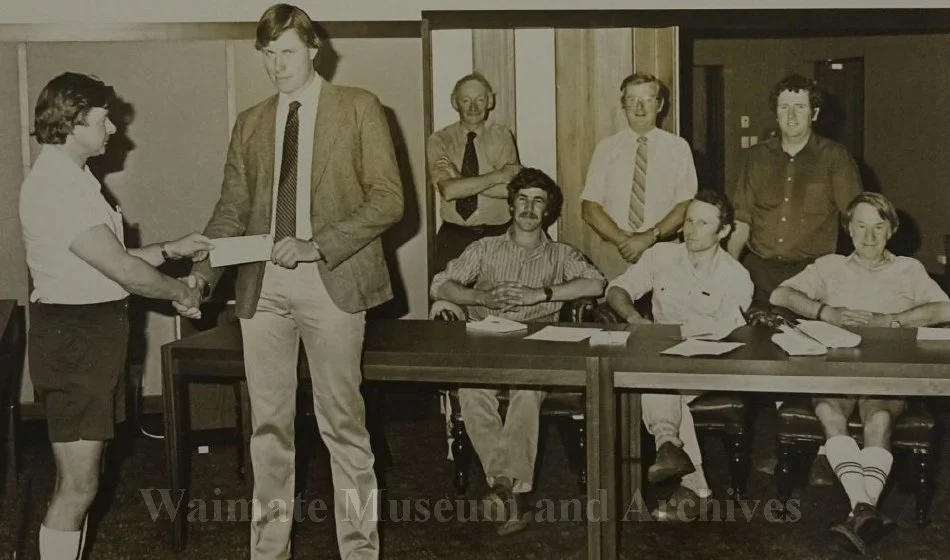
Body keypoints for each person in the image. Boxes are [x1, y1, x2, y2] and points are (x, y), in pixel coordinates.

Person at [177, 4, 403, 559]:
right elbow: (230, 211)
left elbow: (389, 200)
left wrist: (316, 243)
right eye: (267, 55)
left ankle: (360, 551)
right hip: (262, 289)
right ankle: (268, 552)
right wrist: (203, 278)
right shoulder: (251, 121)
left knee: (344, 430)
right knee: (268, 432)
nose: (277, 66)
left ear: (313, 49)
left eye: (287, 53)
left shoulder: (359, 108)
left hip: (332, 281)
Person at [19, 72, 211, 559]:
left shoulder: (75, 178)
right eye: (104, 120)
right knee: (78, 486)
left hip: (89, 338)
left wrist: (170, 249)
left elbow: (110, 262)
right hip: (74, 342)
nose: (113, 132)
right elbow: (124, 270)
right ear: (72, 121)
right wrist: (182, 295)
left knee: (86, 481)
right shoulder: (53, 187)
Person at [770, 192, 950, 555]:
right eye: (861, 226)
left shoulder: (908, 270)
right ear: (848, 229)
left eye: (878, 227)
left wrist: (895, 320)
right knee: (828, 411)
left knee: (879, 417)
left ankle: (860, 508)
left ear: (892, 230)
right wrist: (825, 312)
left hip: (887, 374)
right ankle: (865, 508)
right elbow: (779, 295)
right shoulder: (828, 266)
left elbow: (945, 306)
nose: (869, 237)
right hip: (835, 372)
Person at [430, 168, 604, 536]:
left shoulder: (561, 254)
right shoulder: (484, 248)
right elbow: (440, 284)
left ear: (548, 211)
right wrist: (480, 296)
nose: (528, 207)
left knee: (527, 393)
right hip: (485, 343)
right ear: (511, 206)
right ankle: (508, 487)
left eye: (537, 201)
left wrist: (541, 294)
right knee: (473, 392)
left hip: (537, 349)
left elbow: (596, 282)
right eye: (522, 199)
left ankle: (502, 486)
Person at [726, 73, 864, 484]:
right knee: (765, 362)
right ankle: (787, 445)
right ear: (776, 111)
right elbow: (742, 221)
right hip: (761, 272)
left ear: (814, 113)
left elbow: (856, 219)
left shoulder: (835, 158)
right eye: (784, 107)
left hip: (812, 276)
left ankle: (821, 449)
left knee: (812, 362)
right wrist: (729, 274)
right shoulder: (756, 158)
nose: (791, 115)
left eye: (800, 107)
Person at [606, 189, 753, 521]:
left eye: (703, 223)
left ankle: (676, 457)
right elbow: (617, 289)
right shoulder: (660, 256)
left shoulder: (736, 278)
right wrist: (635, 319)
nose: (691, 230)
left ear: (724, 230)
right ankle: (681, 465)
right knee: (658, 376)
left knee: (656, 379)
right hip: (661, 355)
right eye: (689, 220)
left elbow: (727, 335)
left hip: (711, 362)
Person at [581, 72, 698, 278]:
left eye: (647, 99)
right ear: (623, 105)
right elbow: (590, 208)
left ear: (660, 105)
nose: (639, 107)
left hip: (664, 252)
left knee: (665, 309)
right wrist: (624, 242)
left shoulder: (678, 148)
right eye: (632, 99)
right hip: (615, 253)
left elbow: (685, 205)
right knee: (610, 308)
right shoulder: (606, 148)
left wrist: (648, 238)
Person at [427, 72, 522, 274]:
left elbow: (510, 190)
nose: (473, 107)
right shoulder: (440, 140)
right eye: (466, 100)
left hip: (498, 236)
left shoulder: (502, 136)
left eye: (480, 100)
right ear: (455, 102)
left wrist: (460, 179)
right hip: (454, 238)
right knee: (447, 302)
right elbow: (449, 191)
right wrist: (497, 175)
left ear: (490, 101)